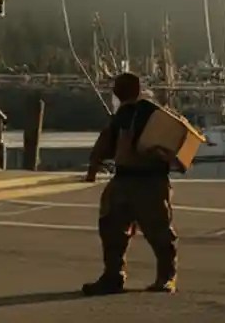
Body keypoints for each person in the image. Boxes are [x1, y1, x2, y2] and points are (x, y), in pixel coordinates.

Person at [81, 72, 177, 296]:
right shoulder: (140, 113)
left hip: (144, 181)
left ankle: (161, 277)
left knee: (155, 231)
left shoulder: (143, 113)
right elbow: (107, 142)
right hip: (133, 180)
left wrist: (92, 170)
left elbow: (102, 145)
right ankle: (120, 276)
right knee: (116, 227)